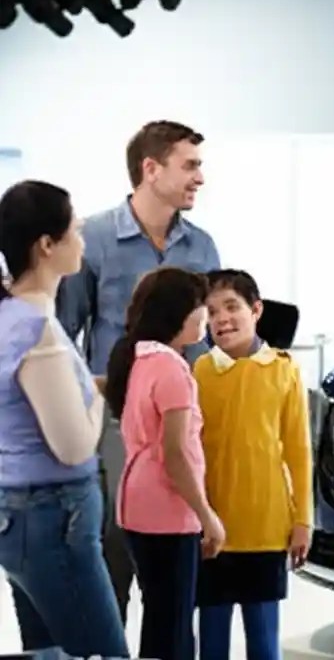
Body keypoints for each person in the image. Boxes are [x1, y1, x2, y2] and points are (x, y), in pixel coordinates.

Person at [56, 120, 221, 624]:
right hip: (114, 423)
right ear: (151, 169)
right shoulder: (94, 238)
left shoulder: (203, 247)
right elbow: (64, 333)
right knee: (113, 555)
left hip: (181, 419)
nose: (200, 177)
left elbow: (208, 342)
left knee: (173, 573)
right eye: (189, 165)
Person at [0, 180, 130, 657]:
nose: (82, 240)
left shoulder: (9, 317)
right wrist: (105, 393)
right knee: (104, 652)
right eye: (74, 230)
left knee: (49, 652)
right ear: (47, 245)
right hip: (57, 514)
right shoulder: (40, 331)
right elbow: (74, 445)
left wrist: (86, 388)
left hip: (20, 513)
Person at [104, 267, 226, 660]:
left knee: (159, 618)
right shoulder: (173, 368)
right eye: (201, 308)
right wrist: (207, 515)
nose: (206, 317)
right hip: (168, 510)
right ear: (179, 313)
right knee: (173, 625)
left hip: (136, 504)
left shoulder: (138, 358)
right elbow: (176, 455)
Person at [194, 269, 313, 660]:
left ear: (256, 310)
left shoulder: (284, 369)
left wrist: (303, 521)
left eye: (232, 307)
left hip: (266, 527)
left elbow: (298, 450)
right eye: (212, 312)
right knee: (211, 641)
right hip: (212, 531)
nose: (222, 319)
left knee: (264, 642)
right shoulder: (199, 372)